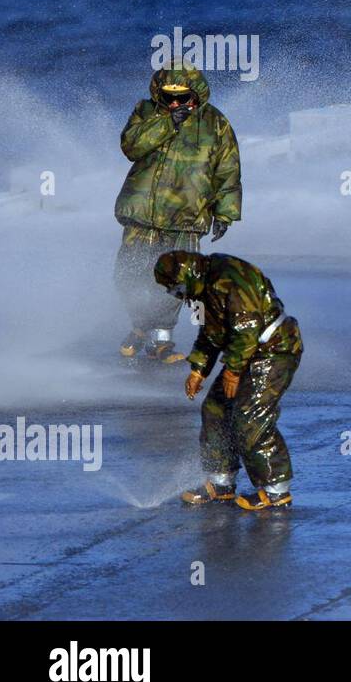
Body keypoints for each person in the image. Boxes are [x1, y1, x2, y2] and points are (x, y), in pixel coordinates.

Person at [154, 250, 303, 510]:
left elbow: (247, 327)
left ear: (187, 275)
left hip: (273, 350)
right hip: (245, 353)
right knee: (215, 409)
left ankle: (276, 490)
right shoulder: (203, 290)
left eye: (177, 288)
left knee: (250, 416)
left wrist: (233, 371)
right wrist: (199, 369)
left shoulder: (228, 276)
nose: (179, 295)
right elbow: (210, 333)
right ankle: (221, 482)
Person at [114, 59, 241, 363]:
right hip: (143, 214)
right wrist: (167, 123)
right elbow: (131, 147)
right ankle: (139, 326)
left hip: (186, 218)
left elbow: (227, 171)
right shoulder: (146, 112)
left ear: (195, 94)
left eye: (181, 97)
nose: (174, 103)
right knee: (128, 276)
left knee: (176, 281)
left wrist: (225, 214)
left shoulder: (216, 124)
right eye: (168, 97)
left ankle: (162, 337)